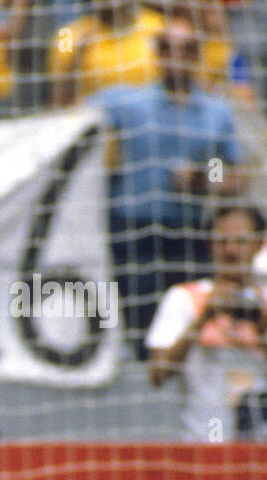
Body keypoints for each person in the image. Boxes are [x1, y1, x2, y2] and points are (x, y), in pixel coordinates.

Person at [93, 13, 246, 358]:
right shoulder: (128, 104)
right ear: (157, 53)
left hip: (187, 234)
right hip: (134, 235)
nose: (176, 56)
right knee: (139, 329)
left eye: (187, 48)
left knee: (188, 323)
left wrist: (204, 179)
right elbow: (69, 119)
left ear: (197, 54)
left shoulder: (215, 114)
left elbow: (225, 171)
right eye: (167, 47)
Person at [147, 203, 267, 441]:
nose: (231, 250)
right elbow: (158, 375)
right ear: (210, 245)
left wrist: (262, 329)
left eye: (241, 241)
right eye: (222, 241)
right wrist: (203, 319)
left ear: (259, 244)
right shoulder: (184, 297)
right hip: (204, 447)